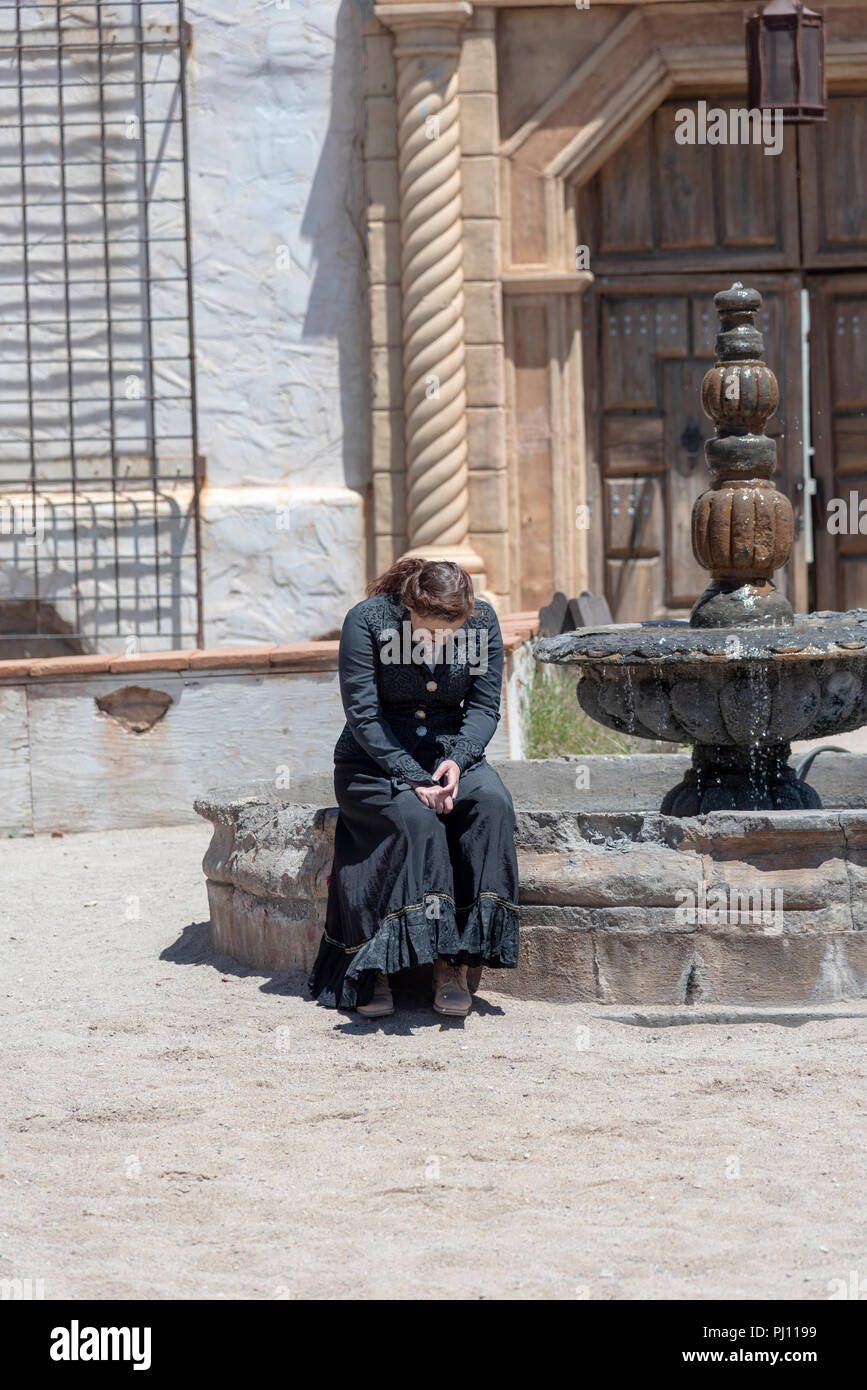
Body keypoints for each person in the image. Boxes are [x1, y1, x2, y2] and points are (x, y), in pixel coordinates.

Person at [308, 558, 520, 1019]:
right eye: (431, 631)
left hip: (449, 753)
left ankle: (452, 962)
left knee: (492, 805)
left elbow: (484, 707)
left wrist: (458, 761)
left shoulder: (482, 620)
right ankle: (376, 966)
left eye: (451, 633)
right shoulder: (367, 621)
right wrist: (411, 775)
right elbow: (363, 714)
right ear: (409, 606)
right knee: (414, 819)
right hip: (373, 761)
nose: (442, 640)